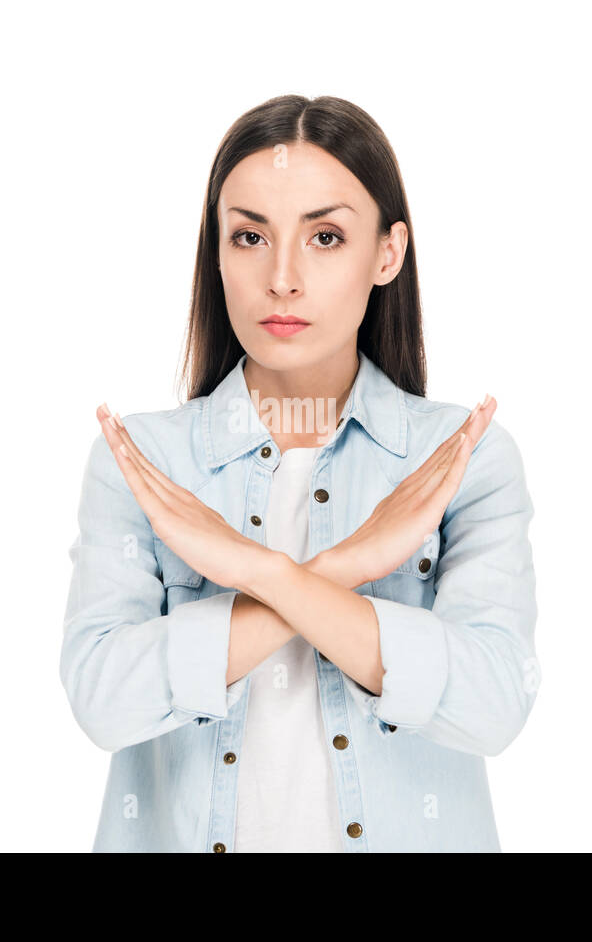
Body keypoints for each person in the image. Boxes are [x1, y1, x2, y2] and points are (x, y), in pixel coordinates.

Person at [61, 94, 539, 852]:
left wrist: (261, 573)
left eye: (325, 236)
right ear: (216, 252)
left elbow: (492, 703)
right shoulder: (143, 460)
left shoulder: (460, 457)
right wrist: (342, 569)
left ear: (387, 252)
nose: (281, 278)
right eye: (249, 235)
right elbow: (102, 698)